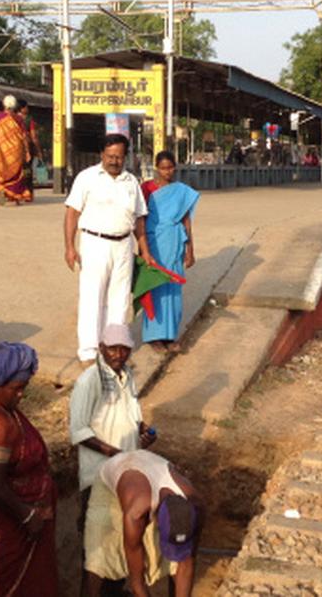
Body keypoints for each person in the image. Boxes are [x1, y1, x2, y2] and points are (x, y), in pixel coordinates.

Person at [69, 324, 157, 594]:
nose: (118, 354)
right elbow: (79, 431)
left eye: (124, 349)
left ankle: (116, 590)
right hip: (100, 477)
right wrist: (115, 455)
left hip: (125, 475)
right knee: (97, 548)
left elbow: (131, 414)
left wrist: (143, 432)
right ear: (101, 348)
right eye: (112, 349)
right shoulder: (89, 381)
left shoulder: (126, 375)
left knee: (123, 539)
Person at [0, 342, 59, 596]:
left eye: (24, 388)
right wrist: (28, 516)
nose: (21, 395)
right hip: (9, 526)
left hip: (14, 520)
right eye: (16, 389)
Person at [64, 134, 156, 364]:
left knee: (120, 299)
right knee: (92, 297)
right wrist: (69, 247)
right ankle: (88, 351)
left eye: (119, 157)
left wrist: (144, 250)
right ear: (102, 155)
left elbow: (139, 219)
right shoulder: (86, 178)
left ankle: (114, 348)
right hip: (95, 244)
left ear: (125, 157)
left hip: (124, 245)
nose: (114, 161)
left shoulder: (131, 182)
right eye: (110, 156)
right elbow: (72, 213)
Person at [91, 450, 202, 597]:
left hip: (151, 467)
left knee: (178, 563)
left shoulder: (197, 507)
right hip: (113, 472)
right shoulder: (135, 514)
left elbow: (188, 561)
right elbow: (137, 582)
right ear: (156, 522)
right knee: (101, 557)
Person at [140, 151, 199, 354]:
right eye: (163, 168)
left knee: (173, 289)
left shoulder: (181, 191)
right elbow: (139, 218)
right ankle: (154, 336)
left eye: (171, 167)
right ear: (156, 167)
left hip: (174, 242)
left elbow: (186, 220)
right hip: (153, 242)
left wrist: (190, 248)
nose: (167, 172)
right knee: (155, 287)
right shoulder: (146, 189)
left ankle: (170, 335)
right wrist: (142, 247)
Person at [0, 95, 34, 205]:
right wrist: (27, 151)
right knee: (16, 174)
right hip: (15, 151)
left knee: (2, 170)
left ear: (4, 105)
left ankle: (3, 190)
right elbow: (24, 136)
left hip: (2, 150)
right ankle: (14, 195)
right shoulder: (18, 118)